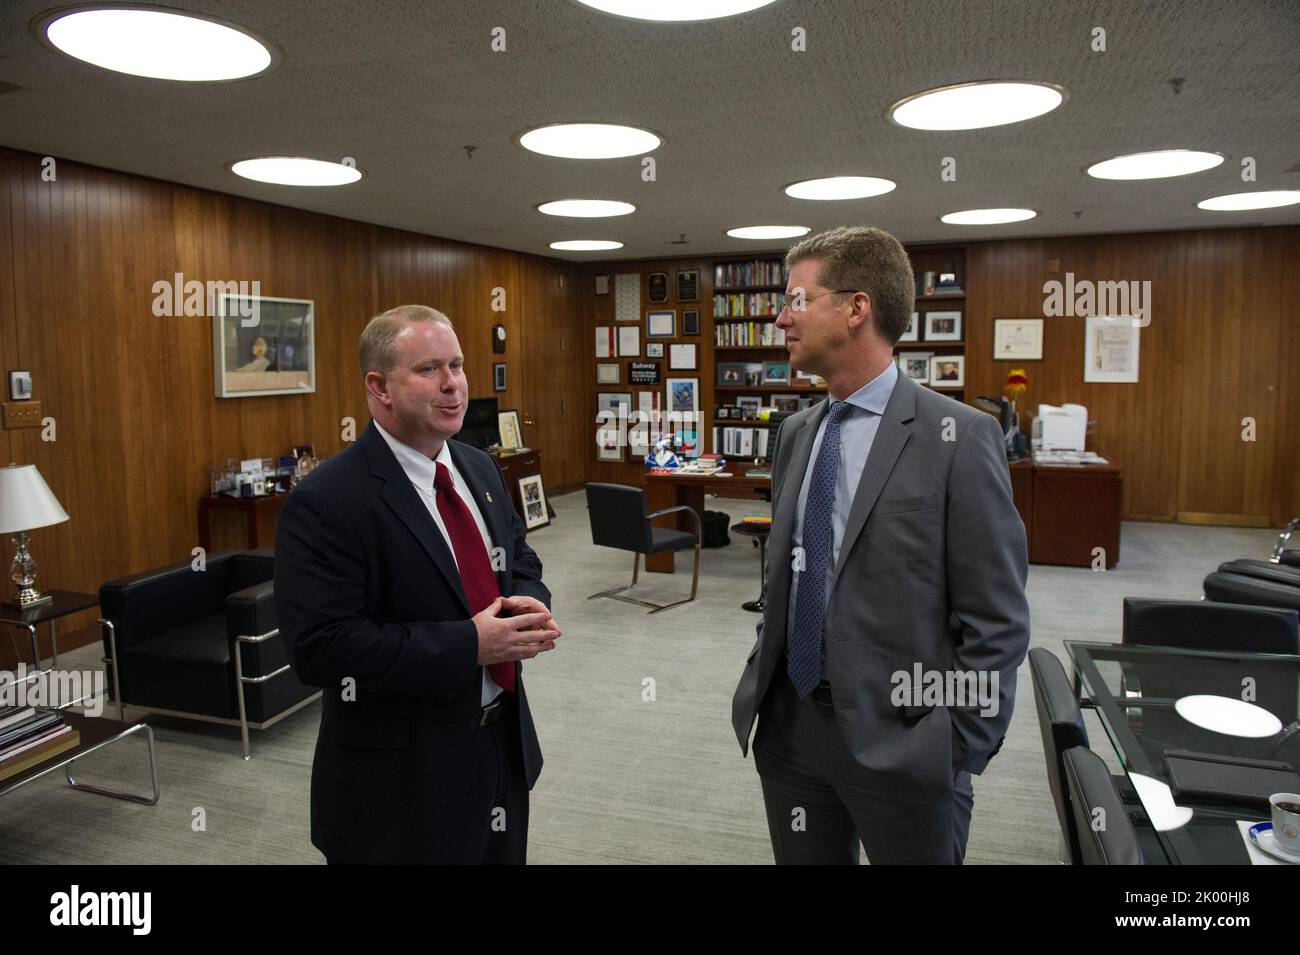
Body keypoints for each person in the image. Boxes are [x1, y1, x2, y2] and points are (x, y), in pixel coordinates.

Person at [731, 227, 1029, 864]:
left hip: (907, 745)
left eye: (797, 300)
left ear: (855, 308)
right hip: (792, 734)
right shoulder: (794, 434)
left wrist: (954, 748)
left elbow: (996, 620)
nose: (781, 317)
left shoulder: (960, 438)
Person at [275, 304, 560, 864]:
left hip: (500, 747)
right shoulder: (328, 500)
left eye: (456, 365)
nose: (453, 384)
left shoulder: (478, 467)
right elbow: (321, 648)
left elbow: (519, 557)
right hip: (399, 784)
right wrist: (469, 645)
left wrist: (530, 604)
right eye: (429, 369)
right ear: (378, 387)